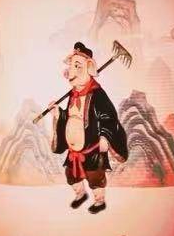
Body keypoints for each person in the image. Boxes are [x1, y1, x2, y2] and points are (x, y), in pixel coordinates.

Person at [50, 41, 127, 214]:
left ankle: (99, 201)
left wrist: (105, 136)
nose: (71, 71)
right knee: (71, 175)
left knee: (95, 177)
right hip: (74, 150)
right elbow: (70, 117)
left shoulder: (97, 94)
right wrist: (59, 114)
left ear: (89, 67)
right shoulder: (73, 94)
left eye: (77, 66)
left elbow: (108, 116)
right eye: (71, 66)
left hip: (92, 149)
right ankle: (80, 194)